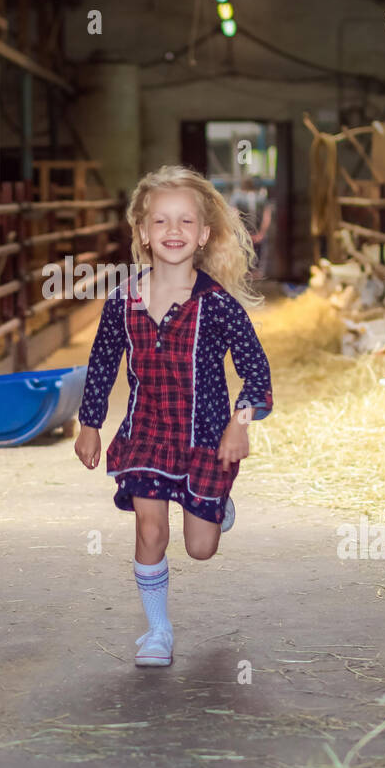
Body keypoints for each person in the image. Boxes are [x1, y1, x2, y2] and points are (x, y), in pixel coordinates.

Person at [75, 164, 273, 668]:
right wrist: (91, 423)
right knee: (150, 530)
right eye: (160, 222)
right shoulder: (122, 301)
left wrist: (240, 423)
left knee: (201, 548)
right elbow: (101, 366)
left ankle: (215, 503)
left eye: (185, 222)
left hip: (207, 438)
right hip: (146, 433)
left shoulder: (219, 306)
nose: (173, 232)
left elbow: (257, 375)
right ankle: (158, 632)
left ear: (204, 234)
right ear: (142, 232)